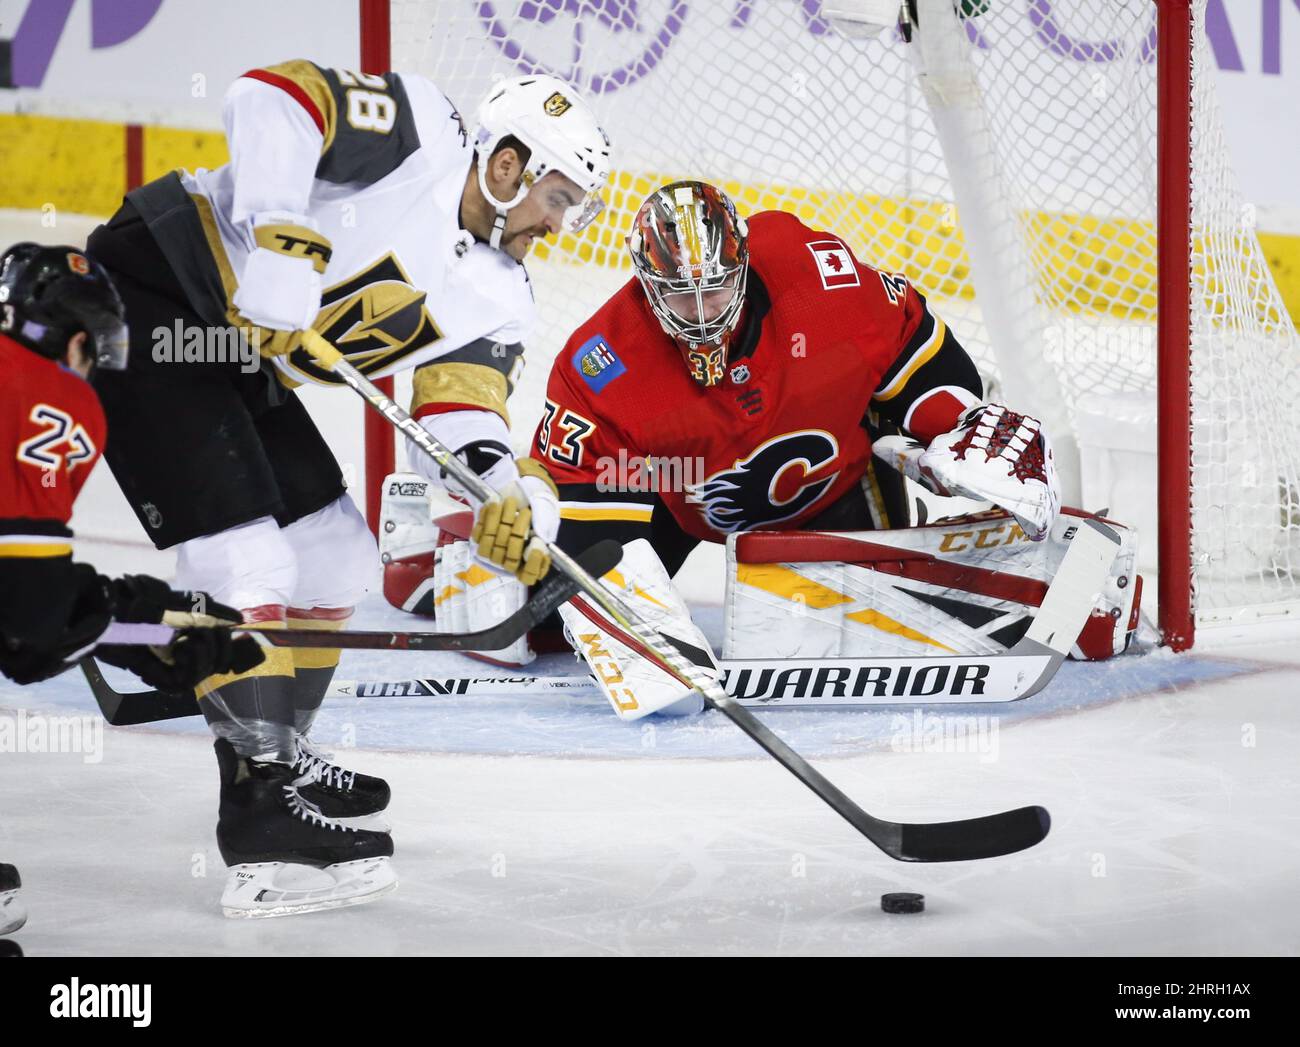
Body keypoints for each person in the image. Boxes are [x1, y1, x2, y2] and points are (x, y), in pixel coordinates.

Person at [82, 61, 612, 916]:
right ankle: (259, 824)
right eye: (558, 197)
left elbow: (460, 410)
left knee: (335, 557)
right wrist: (281, 231)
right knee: (246, 560)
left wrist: (504, 489)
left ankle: (280, 757)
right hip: (154, 286)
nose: (559, 224)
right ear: (508, 166)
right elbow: (268, 95)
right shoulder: (422, 136)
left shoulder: (500, 295)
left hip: (238, 355)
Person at [0, 242, 264, 941]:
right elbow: (29, 614)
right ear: (77, 339)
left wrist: (135, 626)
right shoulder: (47, 395)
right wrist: (149, 627)